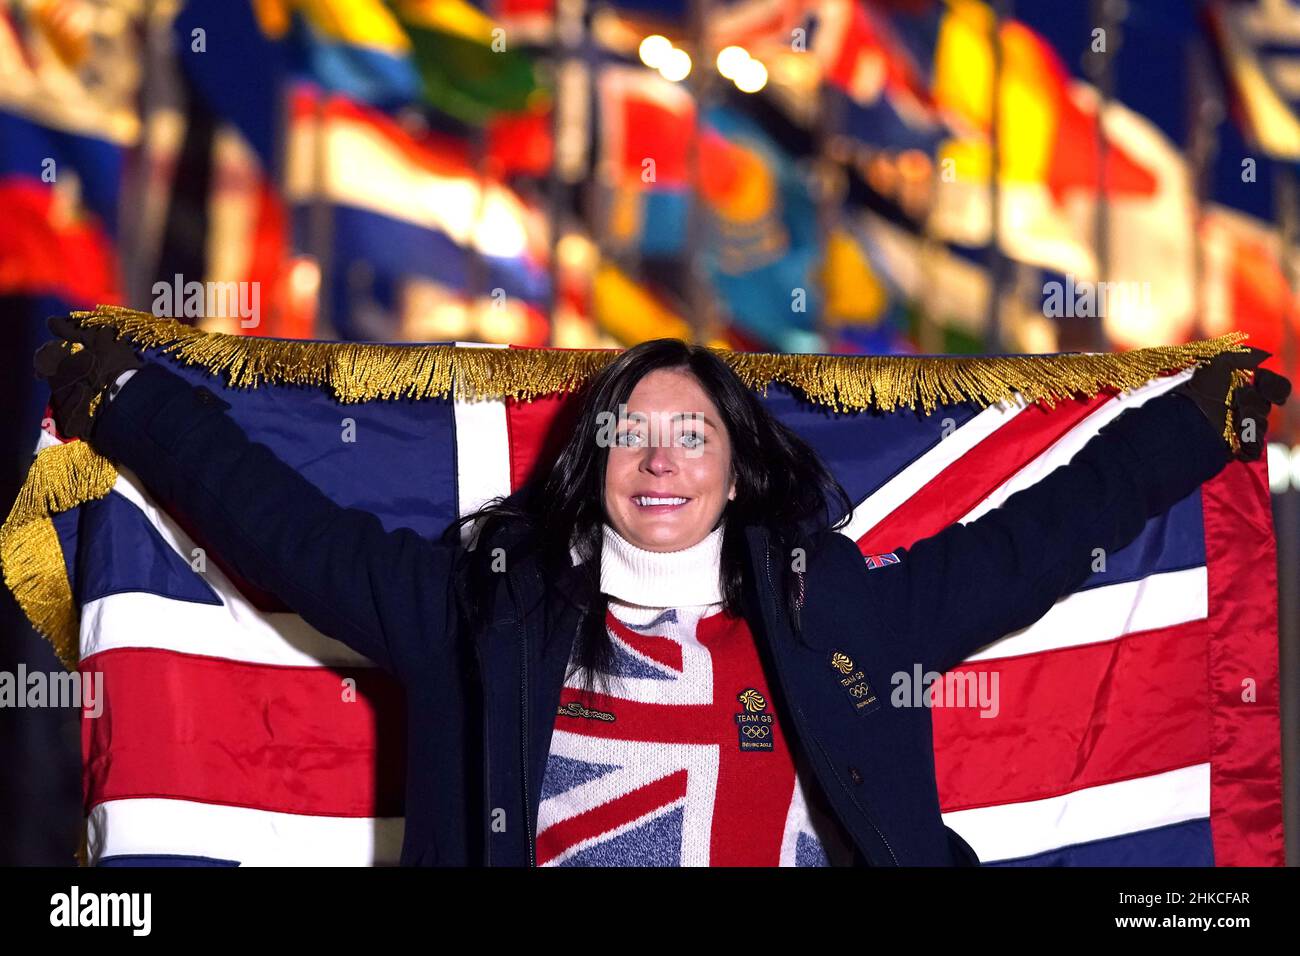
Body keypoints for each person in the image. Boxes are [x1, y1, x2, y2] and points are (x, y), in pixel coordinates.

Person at [33, 316, 1292, 867]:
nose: (661, 460)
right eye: (634, 433)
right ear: (592, 465)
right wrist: (132, 403)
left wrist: (1194, 422)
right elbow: (287, 529)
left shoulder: (841, 606)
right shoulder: (480, 609)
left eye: (694, 436)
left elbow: (1041, 536)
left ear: (739, 469)